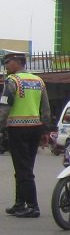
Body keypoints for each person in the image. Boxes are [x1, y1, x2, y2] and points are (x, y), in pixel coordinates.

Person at [1, 52, 51, 218]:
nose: (6, 66)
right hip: (35, 128)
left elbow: (5, 106)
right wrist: (45, 130)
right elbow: (45, 108)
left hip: (17, 128)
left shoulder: (12, 80)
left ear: (17, 62)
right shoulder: (38, 80)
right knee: (24, 167)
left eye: (7, 62)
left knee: (23, 169)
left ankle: (32, 206)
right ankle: (19, 203)